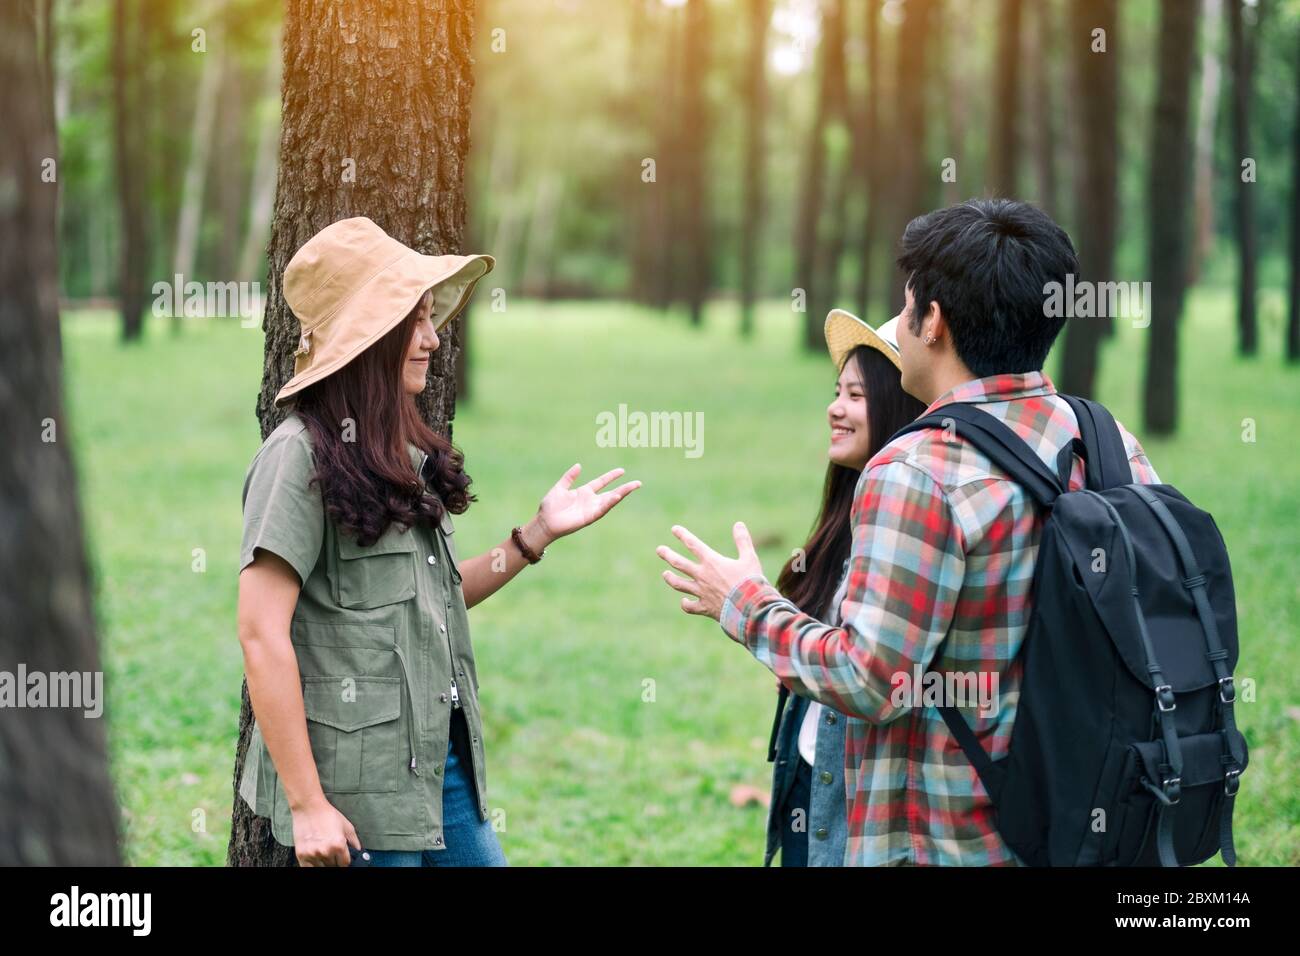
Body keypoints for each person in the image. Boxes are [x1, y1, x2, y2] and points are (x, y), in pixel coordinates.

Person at [656, 198, 1161, 866]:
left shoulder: (918, 471)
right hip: (1082, 825)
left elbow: (871, 680)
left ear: (933, 322)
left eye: (906, 305)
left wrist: (743, 602)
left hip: (953, 841)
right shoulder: (1104, 438)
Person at [236, 216, 640, 867]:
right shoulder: (298, 458)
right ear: (370, 337)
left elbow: (438, 599)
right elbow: (260, 633)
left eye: (430, 318)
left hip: (442, 769)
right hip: (357, 793)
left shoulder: (403, 454)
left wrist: (533, 537)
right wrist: (309, 805)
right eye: (414, 322)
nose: (433, 338)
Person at [765, 311, 924, 866]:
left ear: (895, 405)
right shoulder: (846, 517)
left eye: (856, 395)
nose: (835, 408)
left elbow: (867, 672)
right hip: (807, 777)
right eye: (837, 392)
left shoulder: (908, 520)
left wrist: (749, 609)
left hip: (860, 805)